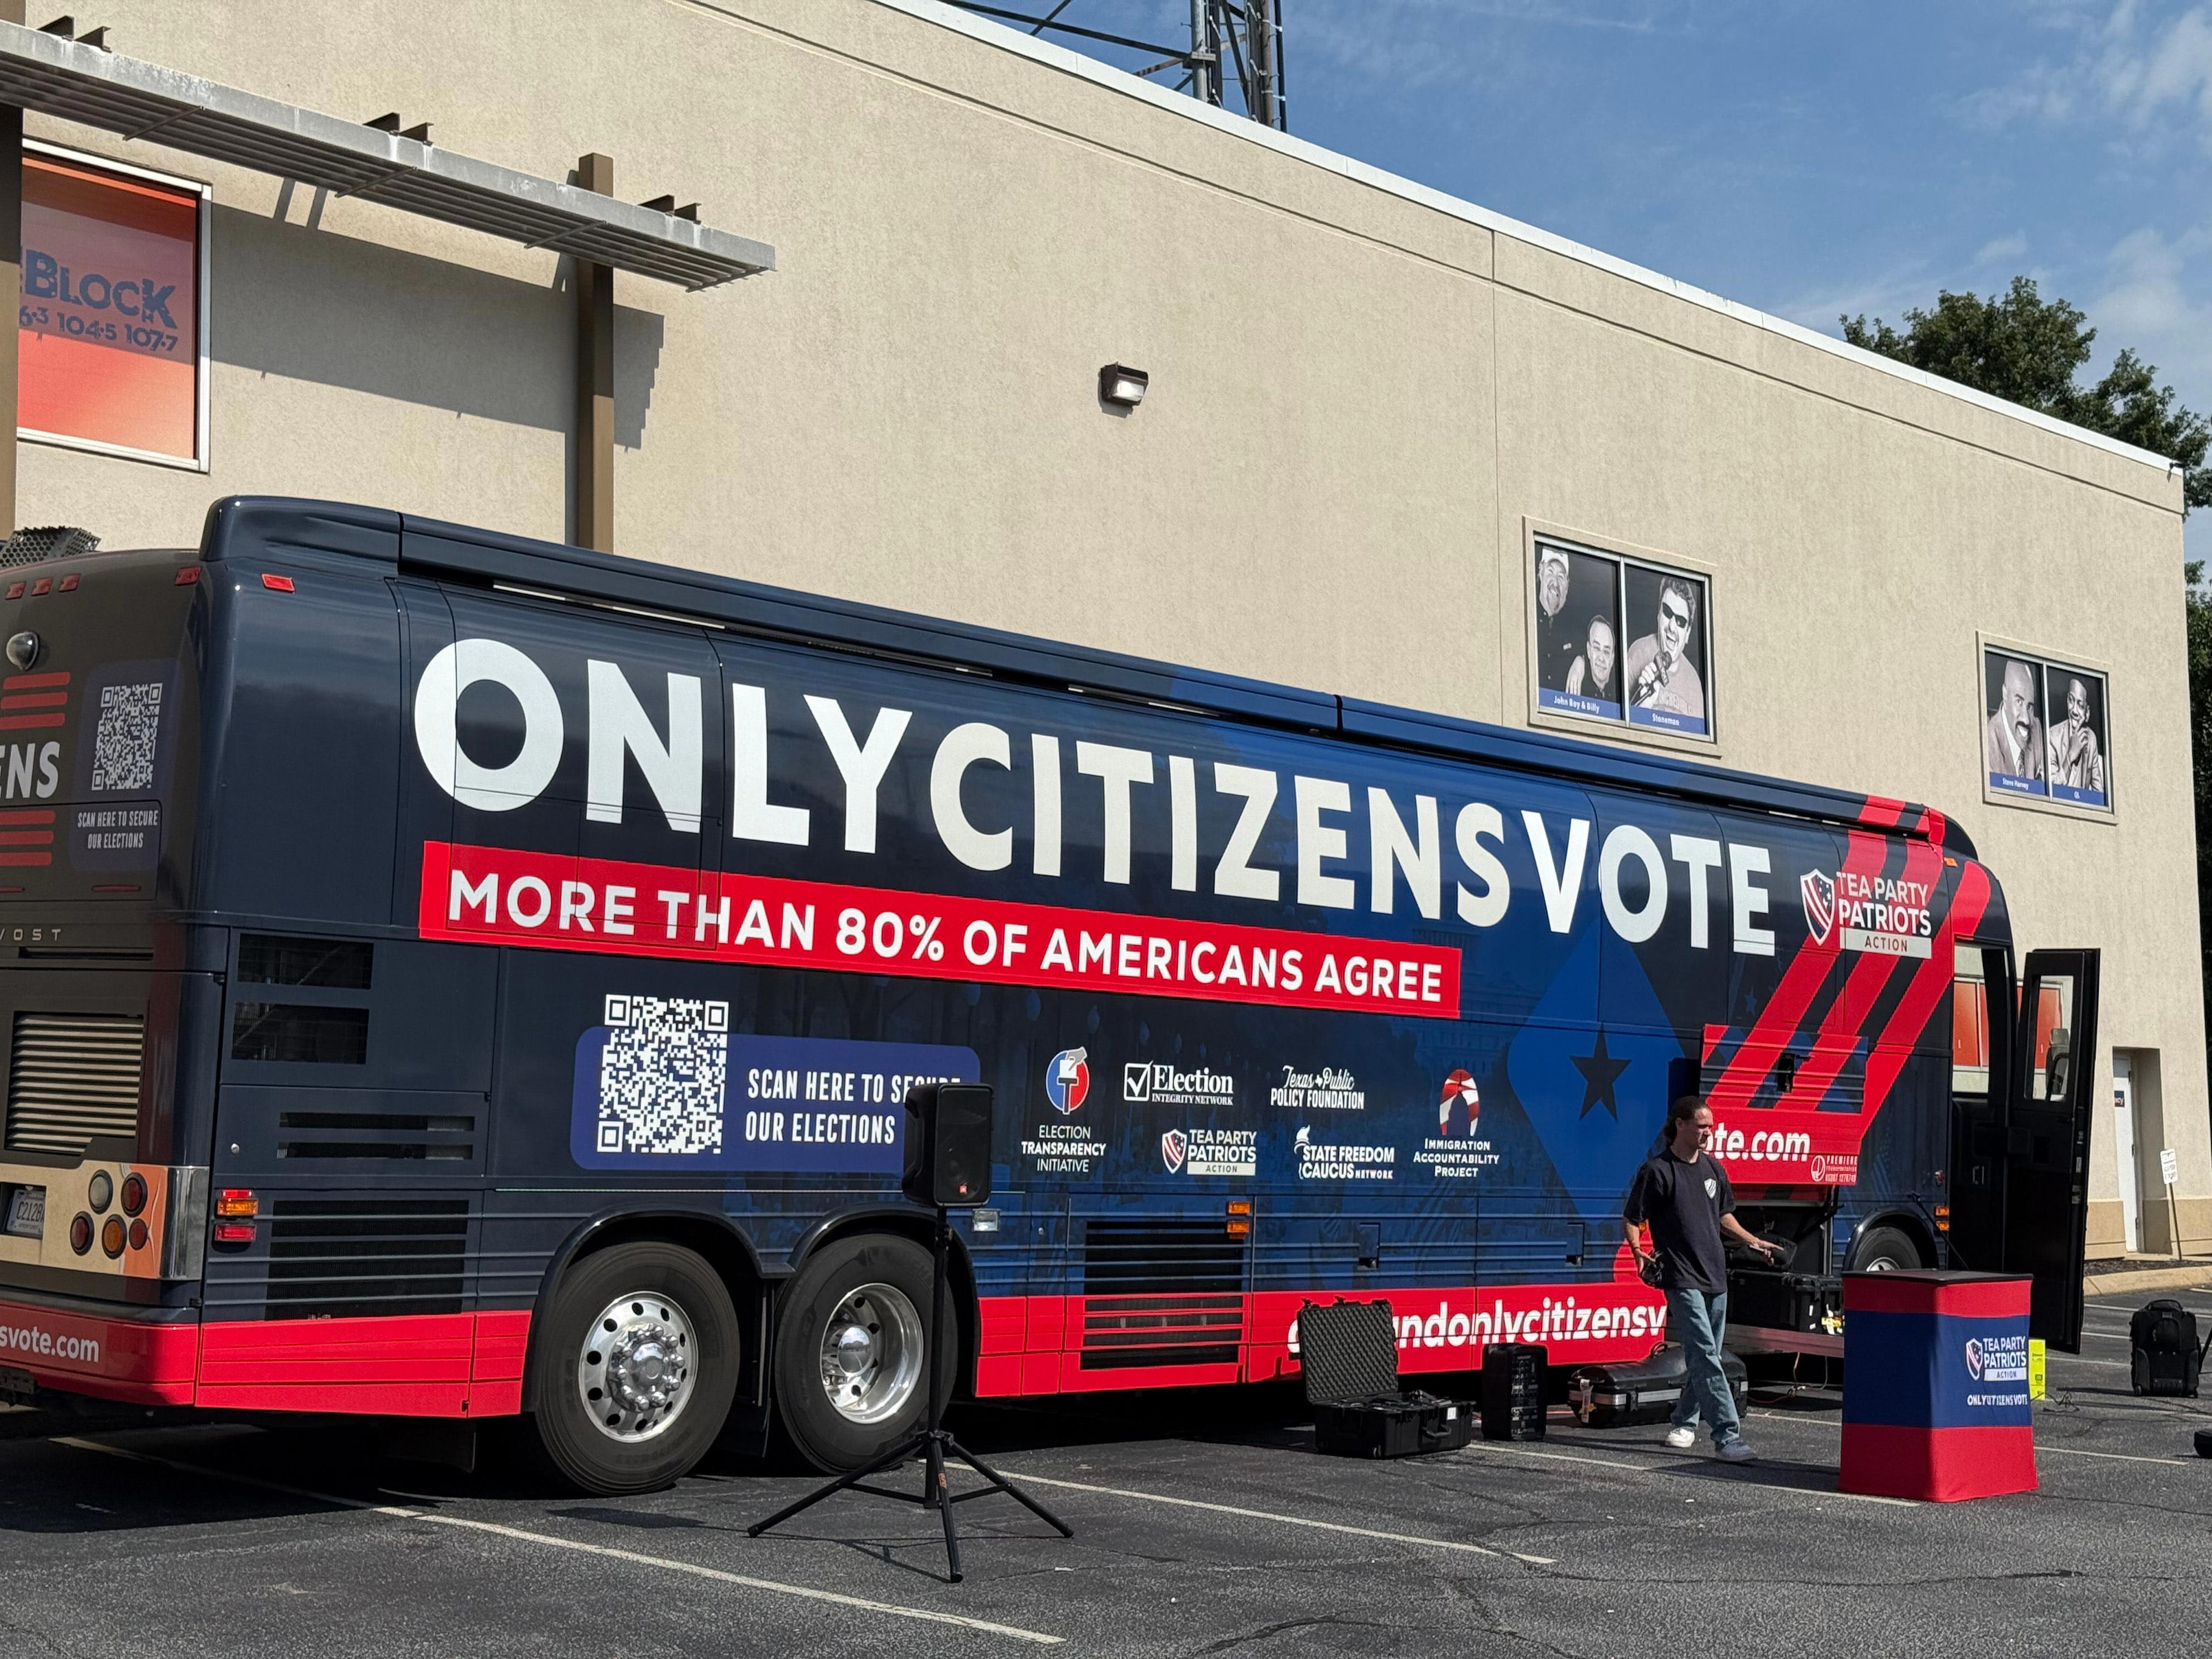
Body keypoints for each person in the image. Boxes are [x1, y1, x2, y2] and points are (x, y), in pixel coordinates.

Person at [1623, 1095, 1783, 1462]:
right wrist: (1637, 1252)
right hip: (1681, 1275)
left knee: (1705, 1355)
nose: (1708, 1133)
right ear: (1679, 1125)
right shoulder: (1657, 1171)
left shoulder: (1713, 1169)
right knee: (1704, 1354)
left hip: (1715, 1274)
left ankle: (1683, 1421)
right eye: (1701, 1126)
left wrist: (1752, 1241)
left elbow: (1723, 1217)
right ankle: (1727, 1436)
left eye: (1710, 1126)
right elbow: (1633, 1217)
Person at [1622, 576, 1705, 722]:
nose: (1672, 627)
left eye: (1681, 621)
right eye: (1668, 613)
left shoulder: (1694, 682)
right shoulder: (1638, 653)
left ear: (1688, 633)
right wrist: (1640, 708)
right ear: (1659, 615)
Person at [1983, 658, 2045, 785]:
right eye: (2019, 702)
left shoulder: (2036, 728)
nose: (2027, 719)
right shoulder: (1988, 743)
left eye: (2030, 706)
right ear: (2005, 695)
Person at [2046, 676, 2105, 795]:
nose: (2074, 710)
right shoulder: (2053, 736)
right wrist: (2070, 756)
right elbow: (2051, 790)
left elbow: (2098, 791)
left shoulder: (2091, 738)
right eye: (2071, 700)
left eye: (2080, 705)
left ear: (2087, 713)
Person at [1534, 546, 1580, 692]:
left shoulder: (1573, 627)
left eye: (1561, 577)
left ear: (1567, 584)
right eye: (1550, 572)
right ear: (1540, 571)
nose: (1555, 583)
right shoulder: (1527, 614)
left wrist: (1582, 661)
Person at [1564, 614, 1617, 703]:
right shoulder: (1579, 690)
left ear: (1612, 659)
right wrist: (1579, 660)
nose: (1601, 658)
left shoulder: (1620, 692)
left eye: (1606, 652)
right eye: (1597, 648)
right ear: (1589, 650)